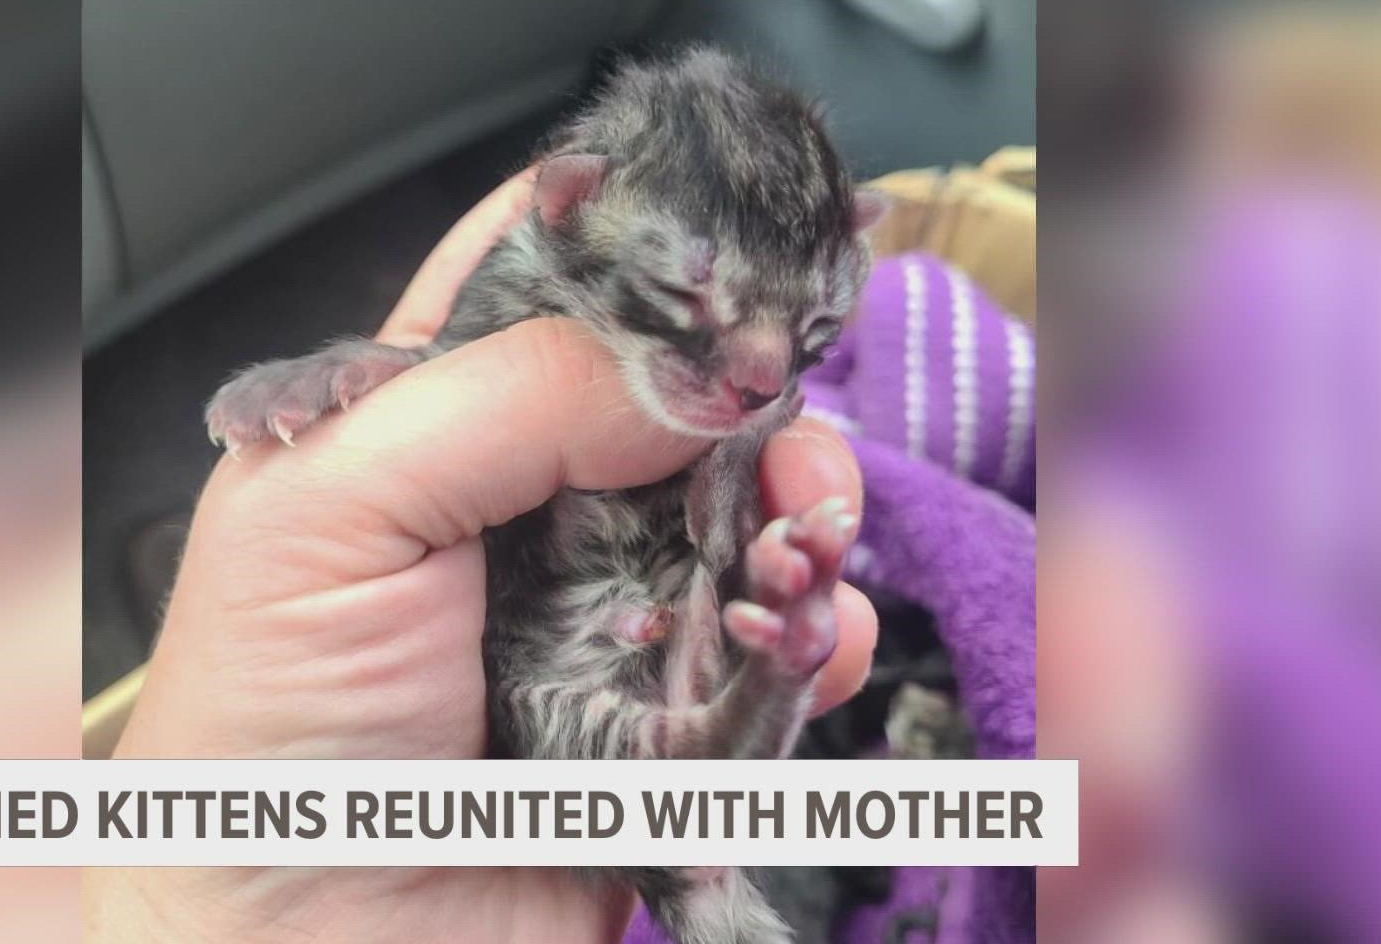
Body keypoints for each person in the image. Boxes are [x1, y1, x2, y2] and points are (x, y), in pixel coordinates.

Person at [87, 170, 880, 943]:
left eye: (808, 334)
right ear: (575, 205)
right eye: (691, 301)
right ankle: (738, 717)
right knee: (565, 706)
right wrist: (369, 372)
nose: (763, 378)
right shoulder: (569, 265)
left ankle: (740, 712)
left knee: (703, 611)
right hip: (555, 678)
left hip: (630, 649)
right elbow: (446, 369)